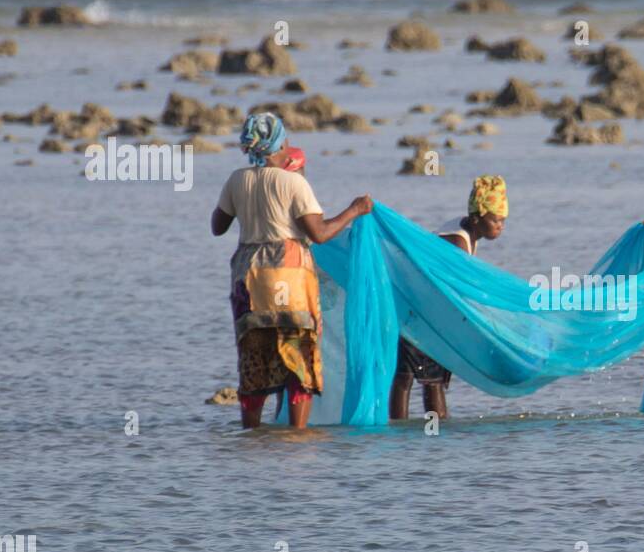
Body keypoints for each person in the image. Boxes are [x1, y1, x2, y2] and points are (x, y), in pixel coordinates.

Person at [211, 112, 373, 429]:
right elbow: (319, 233)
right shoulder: (293, 183)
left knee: (254, 356)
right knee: (298, 358)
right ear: (278, 144)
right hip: (288, 273)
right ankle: (296, 437)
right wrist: (355, 210)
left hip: (248, 277)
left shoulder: (236, 180)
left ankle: (252, 434)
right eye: (285, 140)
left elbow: (218, 226)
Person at [389, 175, 509, 421]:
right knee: (425, 379)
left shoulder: (463, 230)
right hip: (421, 313)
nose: (501, 226)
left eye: (503, 220)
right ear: (477, 217)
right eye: (496, 219)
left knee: (408, 377)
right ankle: (434, 432)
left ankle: (401, 431)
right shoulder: (457, 242)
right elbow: (455, 290)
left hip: (416, 311)